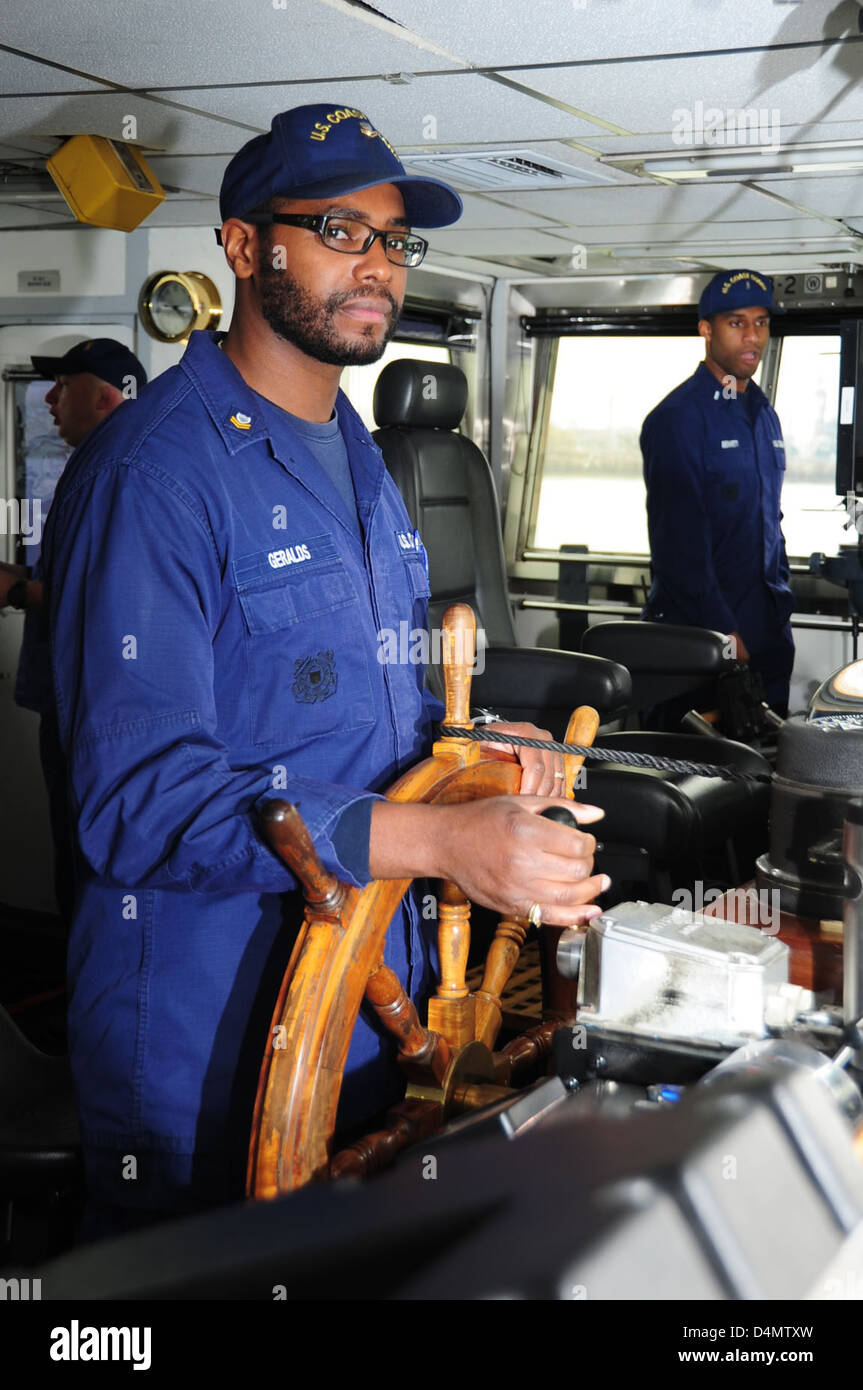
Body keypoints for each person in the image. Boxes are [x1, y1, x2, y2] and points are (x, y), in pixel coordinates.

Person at [41, 103, 608, 1239]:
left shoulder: (360, 456)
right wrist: (442, 842)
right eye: (341, 230)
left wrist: (478, 760)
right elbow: (134, 803)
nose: (379, 268)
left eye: (394, 241)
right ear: (246, 247)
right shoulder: (152, 476)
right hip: (208, 1044)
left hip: (362, 1005)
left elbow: (375, 712)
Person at [1, 339, 147, 925]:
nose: (52, 400)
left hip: (92, 710)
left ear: (105, 397)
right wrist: (26, 577)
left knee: (86, 864)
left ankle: (83, 1002)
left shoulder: (119, 472)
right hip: (75, 703)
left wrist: (15, 592)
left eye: (64, 385)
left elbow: (111, 602)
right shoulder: (102, 462)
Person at [640, 270, 794, 715]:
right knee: (697, 775)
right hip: (700, 642)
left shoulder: (764, 415)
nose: (753, 336)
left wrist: (779, 612)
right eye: (736, 323)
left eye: (762, 322)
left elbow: (771, 521)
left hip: (766, 634)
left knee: (769, 774)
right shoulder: (677, 419)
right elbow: (678, 546)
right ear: (706, 329)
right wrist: (724, 634)